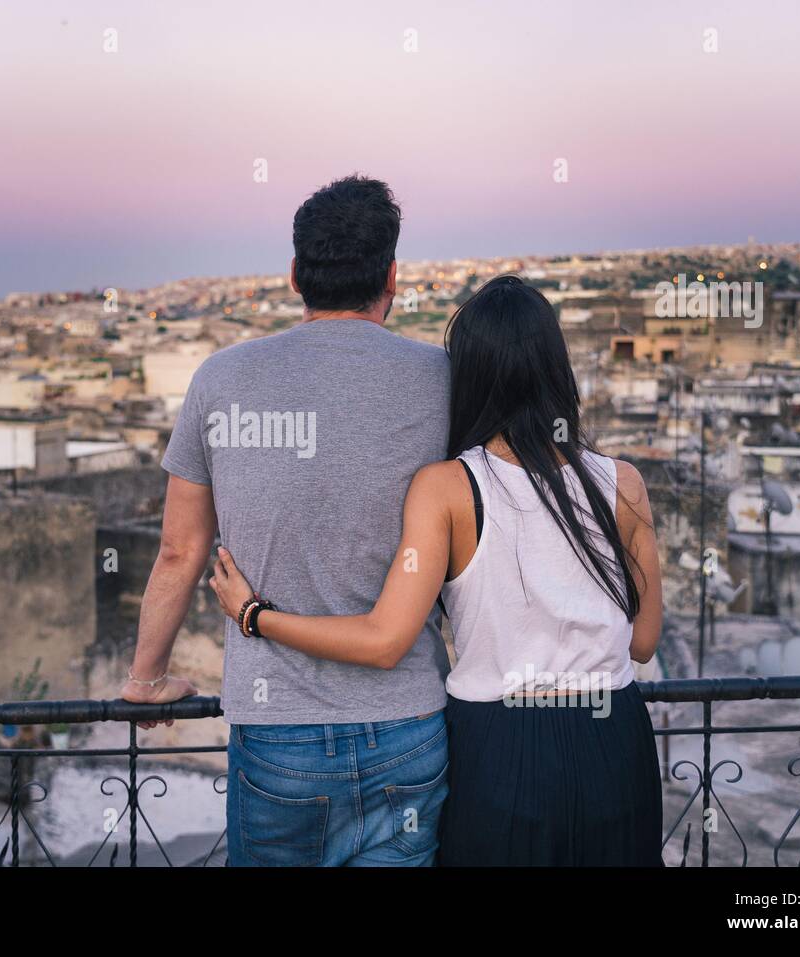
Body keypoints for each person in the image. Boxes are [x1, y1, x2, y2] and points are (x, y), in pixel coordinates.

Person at [209, 275, 665, 866]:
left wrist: (254, 614)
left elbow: (383, 640)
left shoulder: (449, 488)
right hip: (614, 741)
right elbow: (644, 641)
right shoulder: (622, 482)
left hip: (502, 746)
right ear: (558, 367)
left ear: (468, 375)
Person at [121, 175, 452, 866]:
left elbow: (181, 551)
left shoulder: (222, 377)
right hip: (410, 723)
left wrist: (146, 678)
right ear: (393, 275)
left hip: (278, 733)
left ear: (296, 274)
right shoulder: (444, 377)